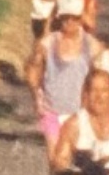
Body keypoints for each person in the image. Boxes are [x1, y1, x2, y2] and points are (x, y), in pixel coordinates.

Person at [29, 13, 102, 145]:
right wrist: (36, 95)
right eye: (65, 18)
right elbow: (33, 69)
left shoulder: (92, 45)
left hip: (80, 113)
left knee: (77, 156)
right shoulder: (47, 43)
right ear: (59, 18)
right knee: (55, 160)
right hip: (51, 110)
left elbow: (101, 78)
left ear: (81, 19)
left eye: (74, 18)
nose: (69, 22)